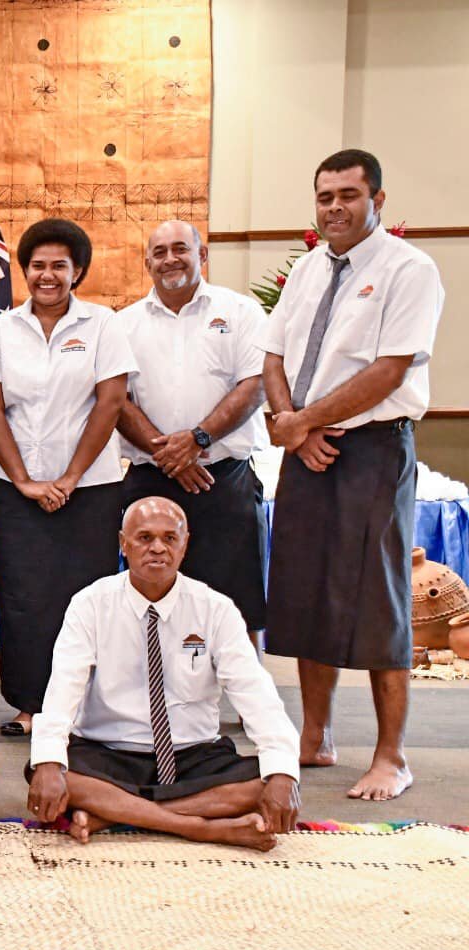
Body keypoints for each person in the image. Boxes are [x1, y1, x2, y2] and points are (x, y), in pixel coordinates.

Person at [260, 149, 444, 801]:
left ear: (378, 200)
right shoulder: (308, 270)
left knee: (377, 601)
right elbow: (274, 354)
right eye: (324, 197)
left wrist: (303, 421)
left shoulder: (409, 270)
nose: (334, 207)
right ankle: (315, 733)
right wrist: (293, 423)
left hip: (371, 452)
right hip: (306, 449)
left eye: (348, 195)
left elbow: (390, 369)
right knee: (306, 591)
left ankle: (391, 756)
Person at [27, 497, 301, 851]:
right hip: (109, 753)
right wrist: (49, 761)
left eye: (170, 538)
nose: (157, 548)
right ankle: (204, 828)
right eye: (144, 538)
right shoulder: (91, 604)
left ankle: (116, 815)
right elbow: (64, 687)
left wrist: (281, 770)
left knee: (273, 779)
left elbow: (255, 692)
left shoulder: (215, 609)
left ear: (185, 544)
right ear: (123, 544)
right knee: (46, 772)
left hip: (194, 754)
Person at [0, 218, 134, 738]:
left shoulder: (103, 324)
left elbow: (110, 402)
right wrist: (23, 480)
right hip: (14, 489)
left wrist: (68, 477)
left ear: (78, 271)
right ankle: (29, 704)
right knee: (23, 598)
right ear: (24, 272)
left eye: (59, 266)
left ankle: (84, 707)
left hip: (90, 489)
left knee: (86, 595)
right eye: (37, 266)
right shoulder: (1, 330)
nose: (47, 275)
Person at [113, 222, 270, 639]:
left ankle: (247, 706)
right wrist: (169, 455)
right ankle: (153, 703)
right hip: (150, 481)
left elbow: (256, 384)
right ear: (147, 262)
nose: (169, 259)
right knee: (147, 605)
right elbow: (116, 399)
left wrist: (197, 439)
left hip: (225, 479)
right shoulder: (123, 324)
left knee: (240, 610)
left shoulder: (241, 312)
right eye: (159, 252)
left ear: (202, 255)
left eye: (180, 249)